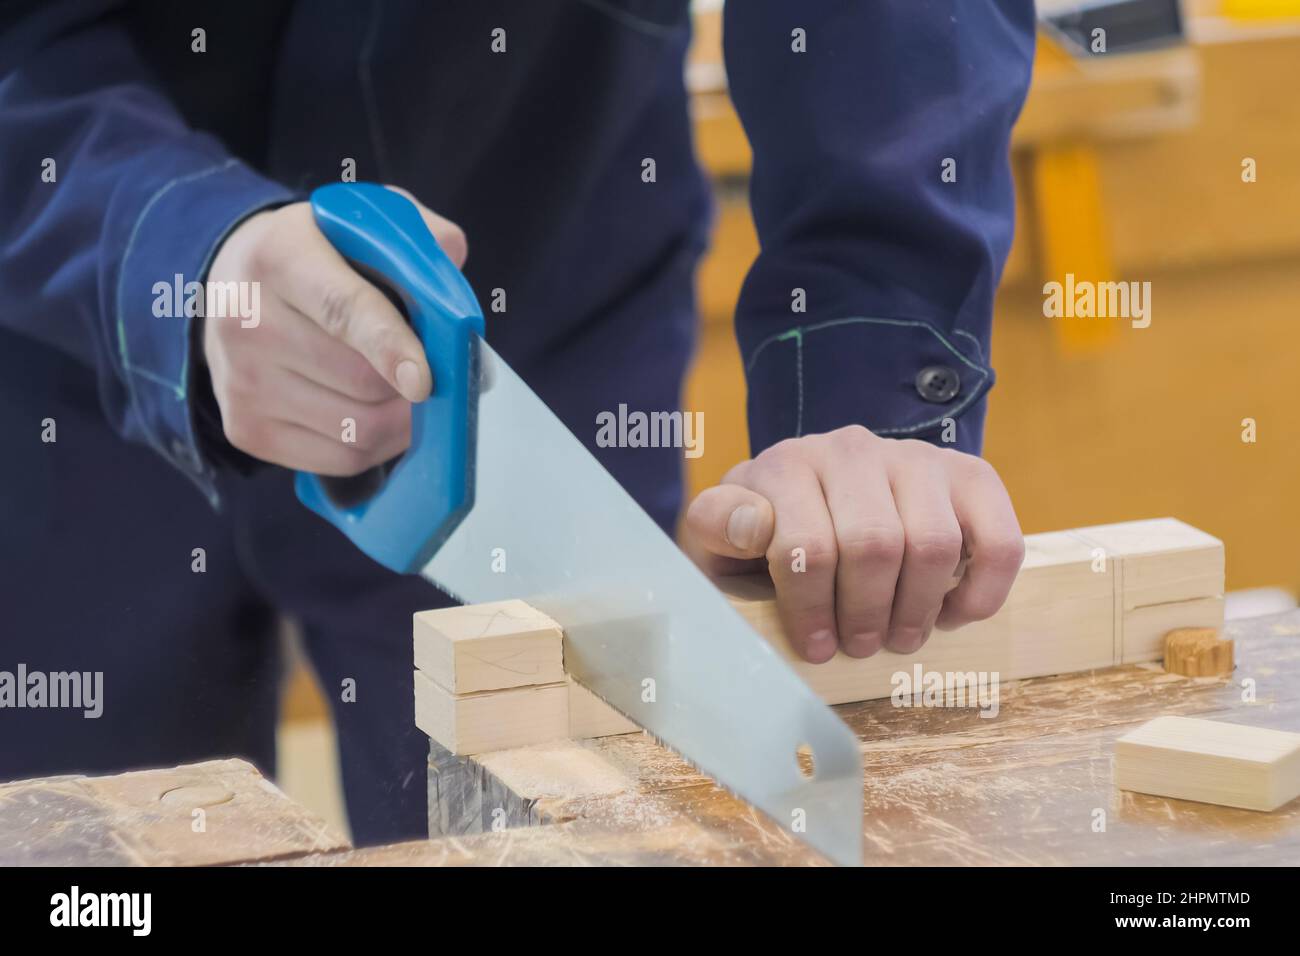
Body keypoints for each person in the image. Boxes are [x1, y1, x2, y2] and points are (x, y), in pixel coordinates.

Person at [0, 1, 1034, 844]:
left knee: (565, 822)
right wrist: (174, 251)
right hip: (57, 298)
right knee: (88, 856)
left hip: (518, 271)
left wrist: (871, 393)